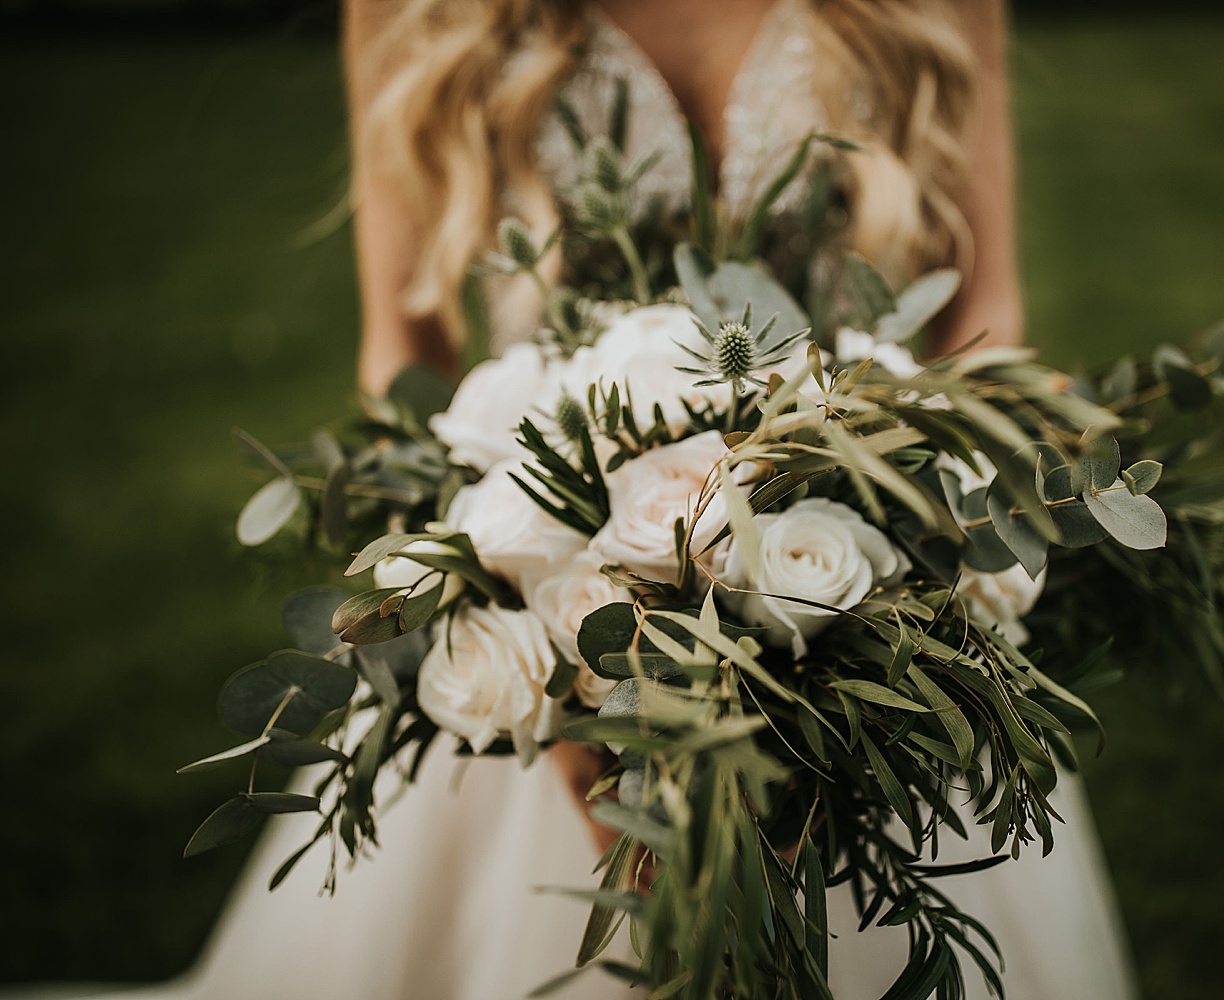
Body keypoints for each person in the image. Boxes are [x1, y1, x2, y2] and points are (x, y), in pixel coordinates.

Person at [41, 2, 1138, 997]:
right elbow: (403, 353)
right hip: (543, 588)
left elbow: (984, 314)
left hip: (864, 588)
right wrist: (540, 666)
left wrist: (921, 574)